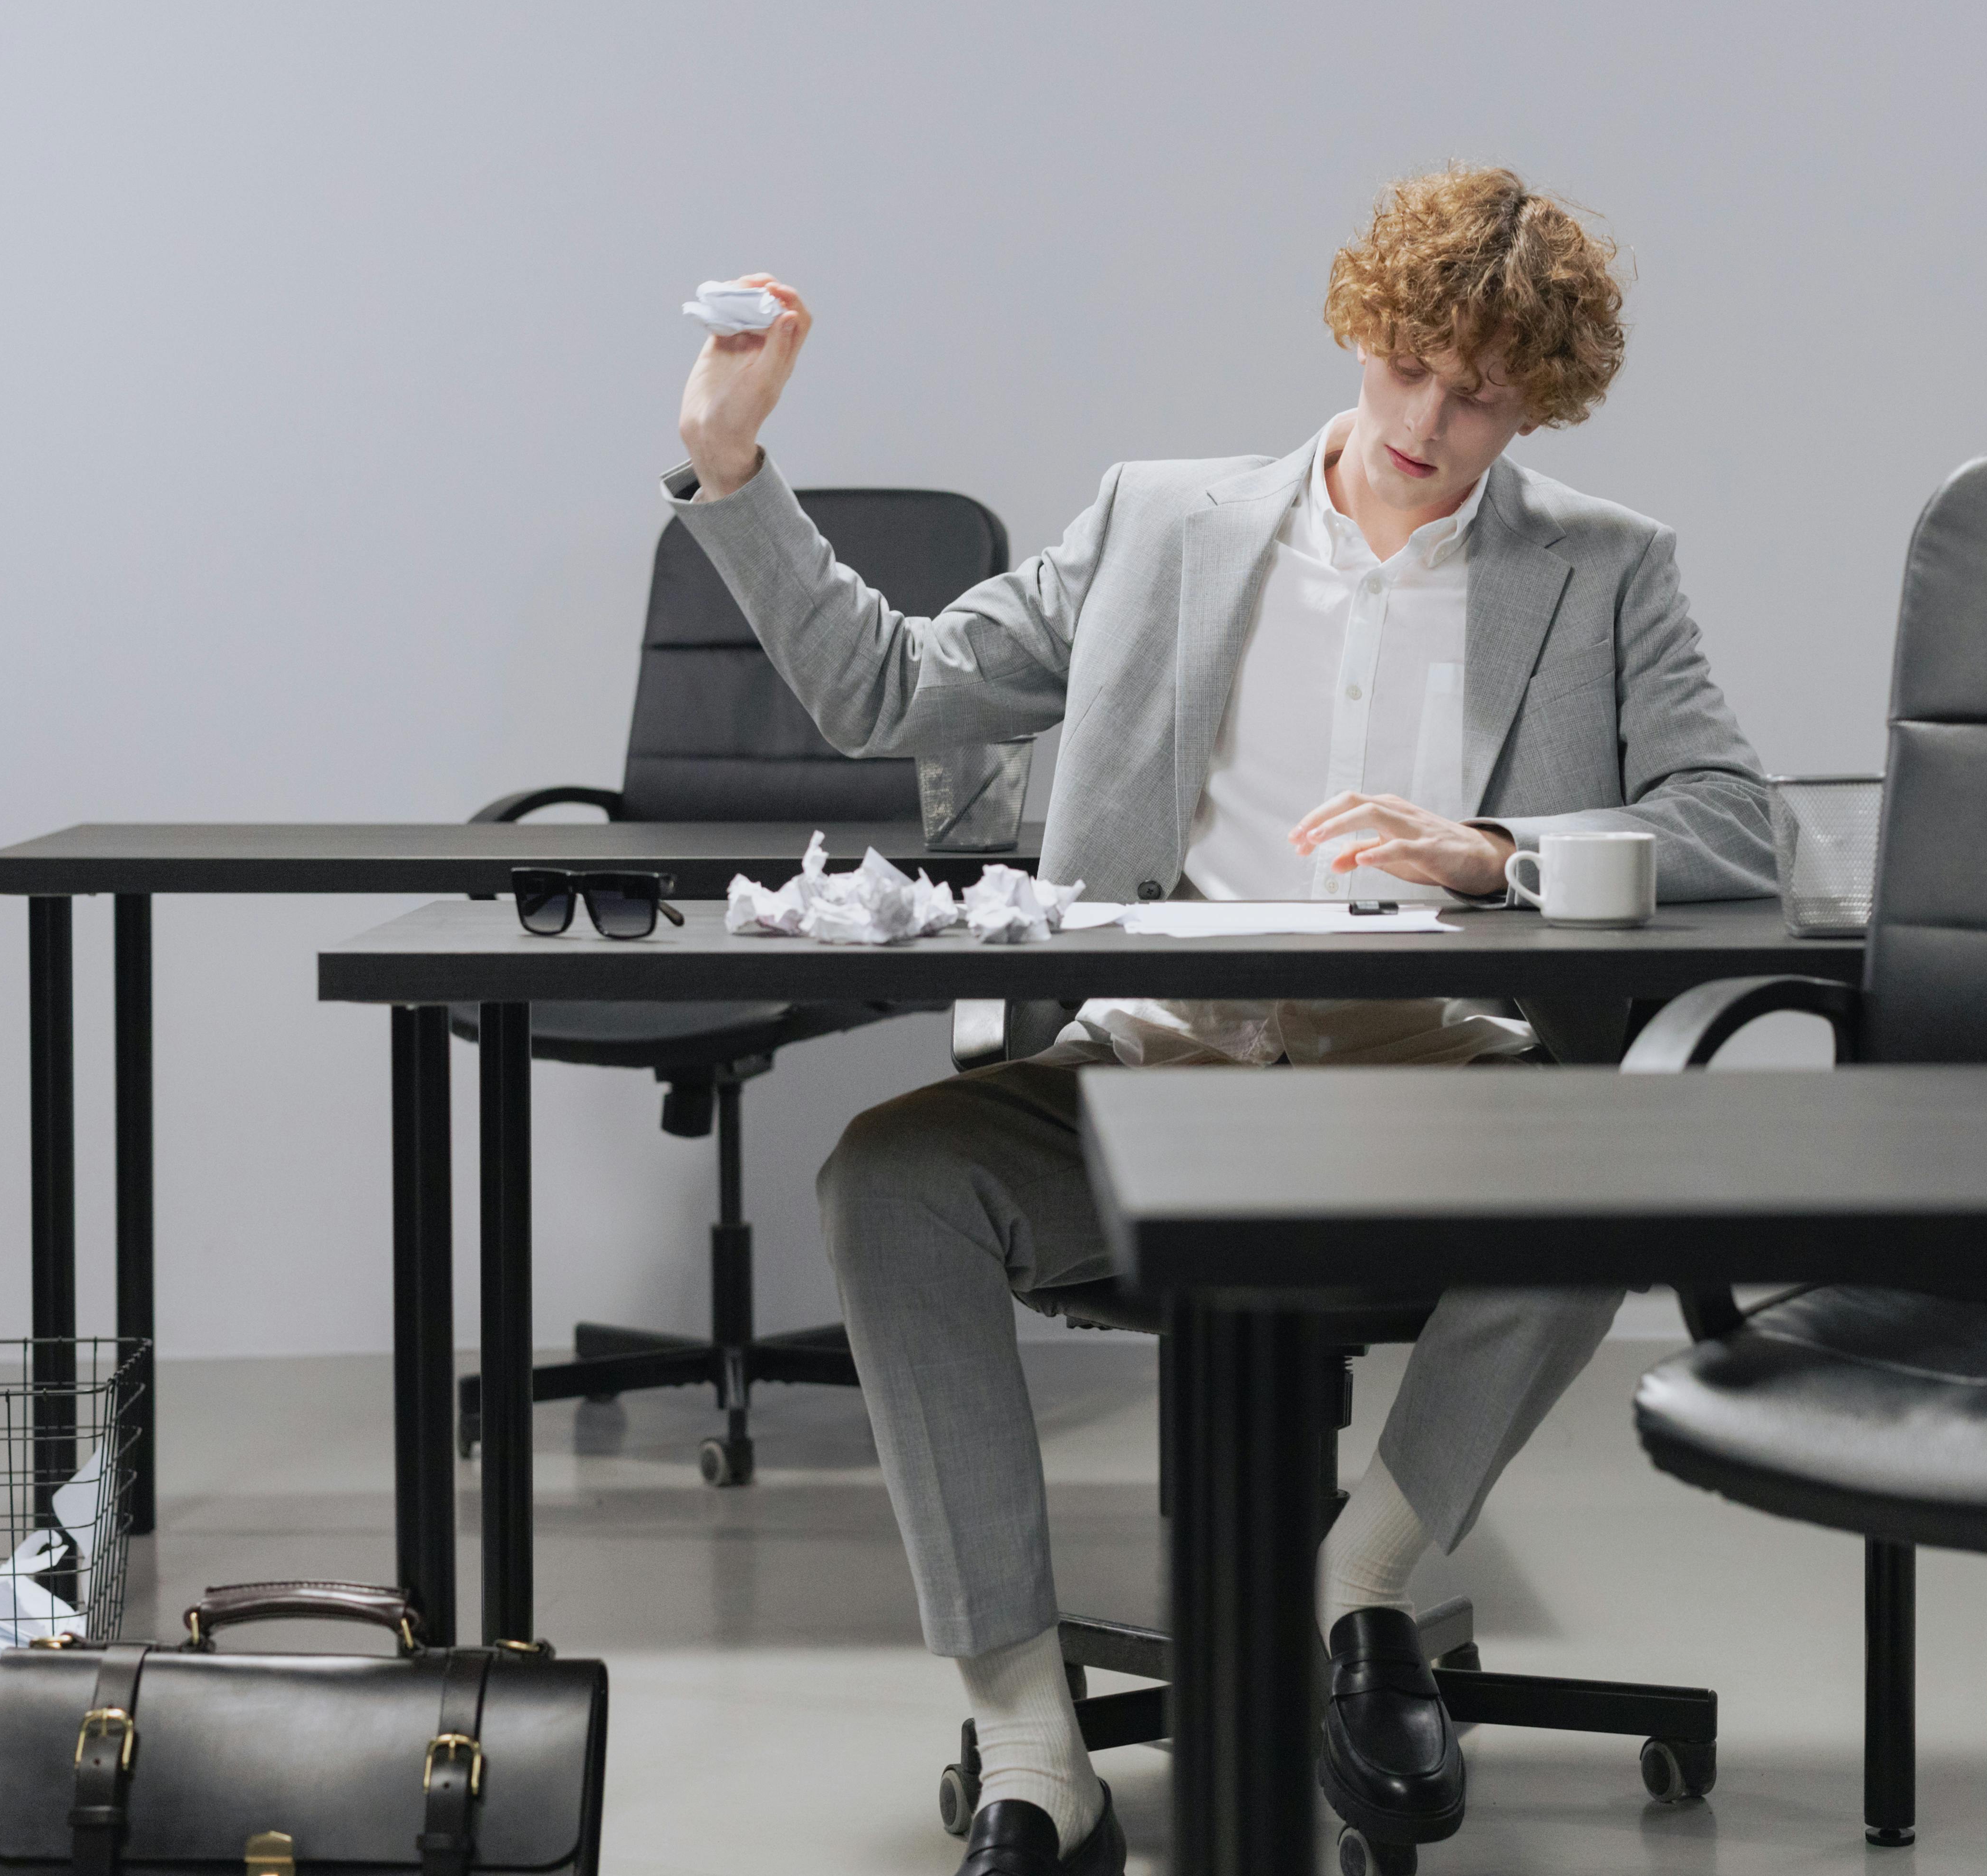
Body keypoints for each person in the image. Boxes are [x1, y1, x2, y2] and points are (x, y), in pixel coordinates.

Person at [670, 166, 1774, 1876]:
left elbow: (1728, 823)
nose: (1428, 415)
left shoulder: (1602, 570)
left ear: (1537, 396)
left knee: (1629, 1145)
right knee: (888, 1181)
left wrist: (1491, 855)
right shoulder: (1160, 521)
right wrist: (731, 466)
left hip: (1427, 1081)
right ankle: (1038, 1754)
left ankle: (1363, 1583)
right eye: (1408, 363)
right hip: (1157, 1069)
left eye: (1481, 391)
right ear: (1361, 327)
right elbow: (885, 686)